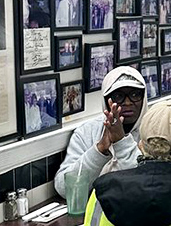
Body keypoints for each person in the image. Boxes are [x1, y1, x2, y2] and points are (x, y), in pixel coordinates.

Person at [54, 66, 148, 197]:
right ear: (106, 100)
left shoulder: (156, 129)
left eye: (134, 95)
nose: (127, 103)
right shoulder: (87, 132)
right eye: (118, 96)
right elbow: (64, 189)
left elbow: (147, 185)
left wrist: (121, 142)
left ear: (144, 98)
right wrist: (99, 150)